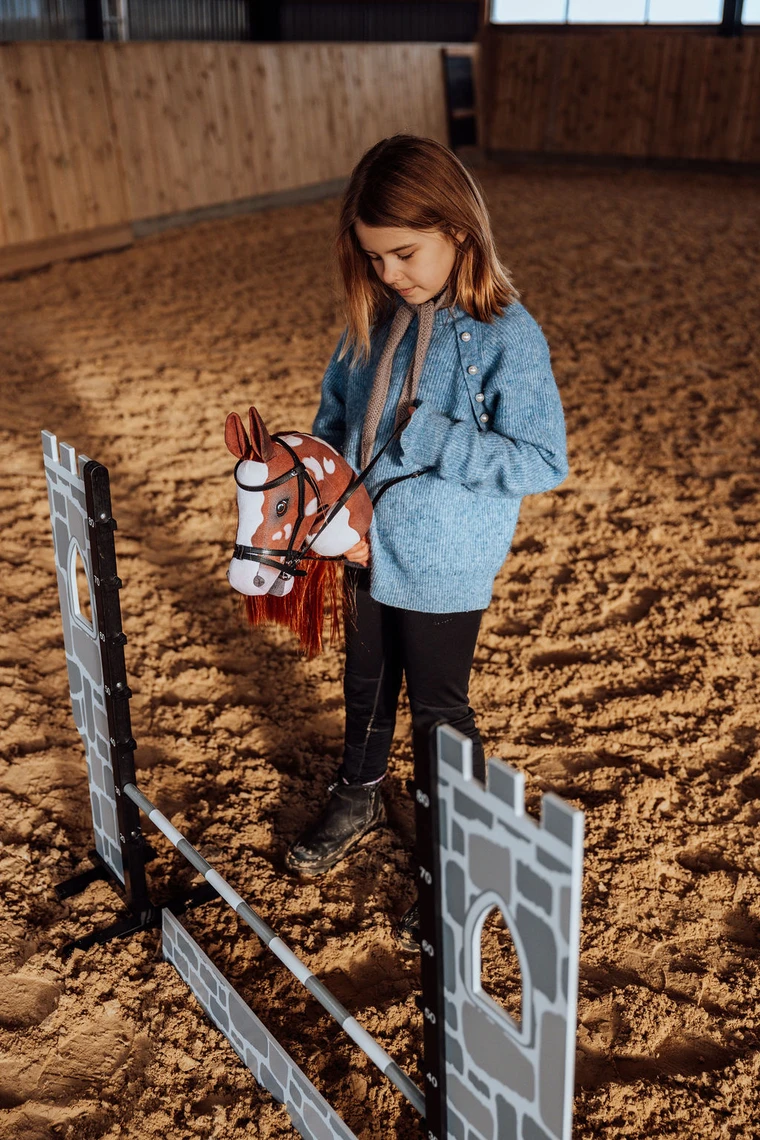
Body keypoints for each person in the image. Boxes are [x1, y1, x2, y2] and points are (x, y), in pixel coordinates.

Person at [285, 134, 568, 951]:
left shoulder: (507, 335)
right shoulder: (372, 321)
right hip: (362, 548)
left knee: (439, 710)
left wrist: (436, 435)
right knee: (366, 683)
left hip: (446, 564)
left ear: (457, 229)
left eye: (404, 254)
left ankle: (460, 857)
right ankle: (359, 795)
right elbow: (335, 420)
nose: (389, 274)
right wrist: (326, 498)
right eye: (375, 258)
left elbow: (542, 460)